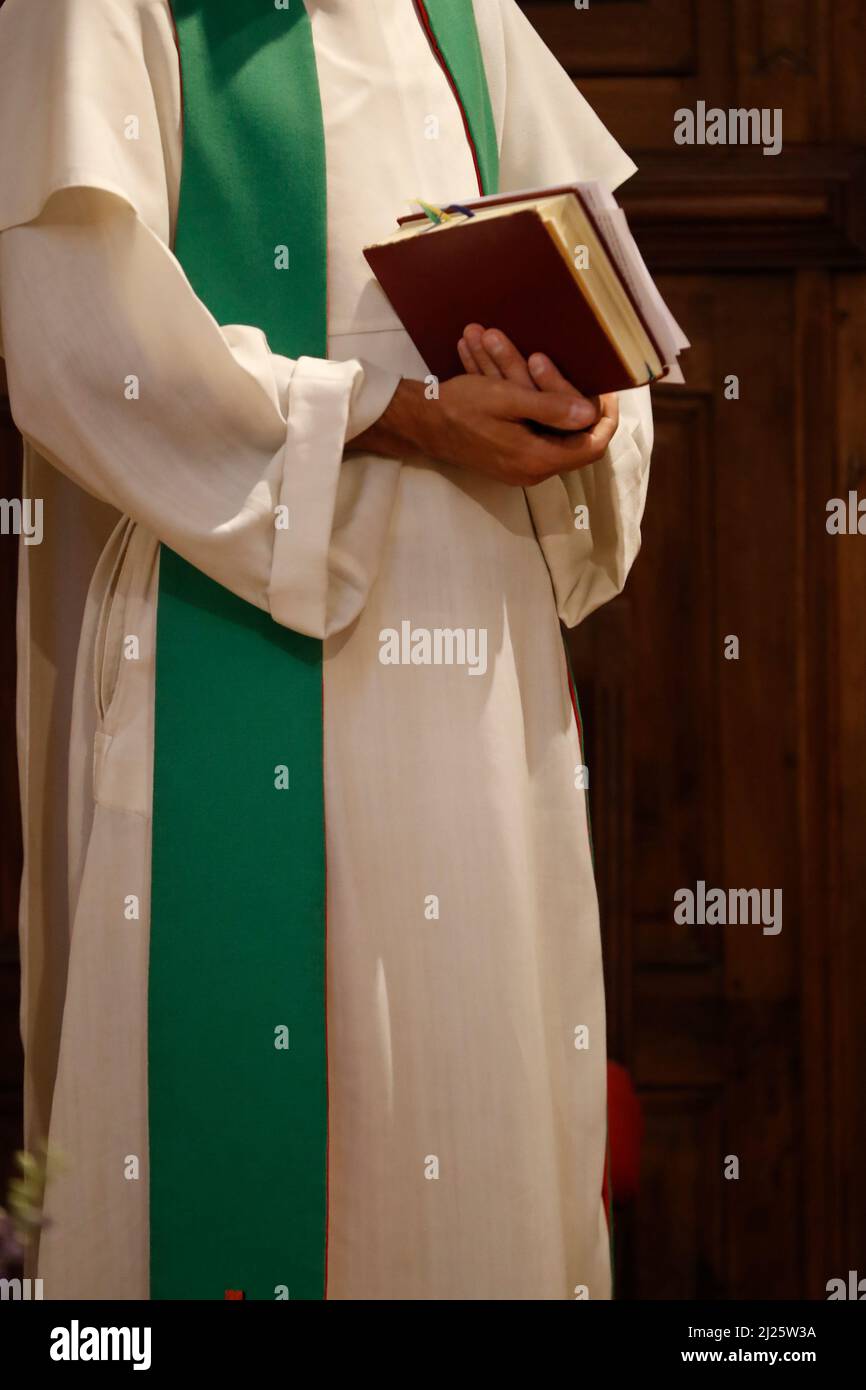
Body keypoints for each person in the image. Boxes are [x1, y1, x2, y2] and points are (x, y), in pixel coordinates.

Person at [0, 0, 652, 1299]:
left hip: (473, 645)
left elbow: (599, 283)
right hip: (239, 590)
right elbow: (75, 337)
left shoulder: (465, 15)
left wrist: (584, 404)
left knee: (473, 1086)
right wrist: (394, 413)